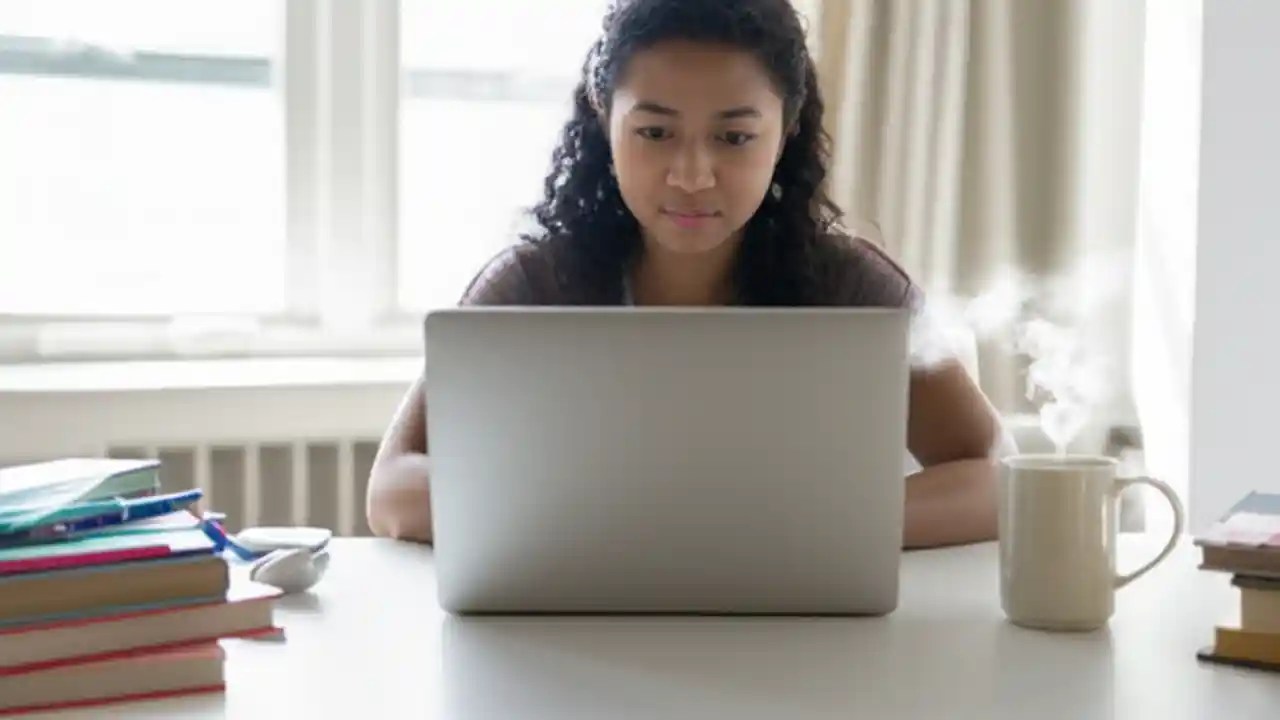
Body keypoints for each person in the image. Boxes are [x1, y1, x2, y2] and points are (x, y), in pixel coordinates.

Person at [367, 0, 1003, 548]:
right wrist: (619, 525)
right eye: (654, 132)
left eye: (734, 138)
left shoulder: (853, 289)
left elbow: (995, 476)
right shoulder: (534, 285)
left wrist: (806, 529)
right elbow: (395, 488)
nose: (692, 176)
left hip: (797, 630)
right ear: (604, 117)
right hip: (581, 628)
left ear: (785, 131)